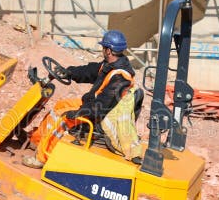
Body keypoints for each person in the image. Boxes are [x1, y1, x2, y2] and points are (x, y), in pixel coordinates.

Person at [24, 30, 143, 168]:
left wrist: (79, 113)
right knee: (60, 105)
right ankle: (37, 141)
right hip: (92, 105)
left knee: (61, 117)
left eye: (103, 47)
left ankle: (42, 158)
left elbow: (102, 105)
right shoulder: (110, 65)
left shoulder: (120, 77)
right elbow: (89, 70)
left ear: (109, 50)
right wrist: (69, 72)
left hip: (98, 115)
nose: (102, 50)